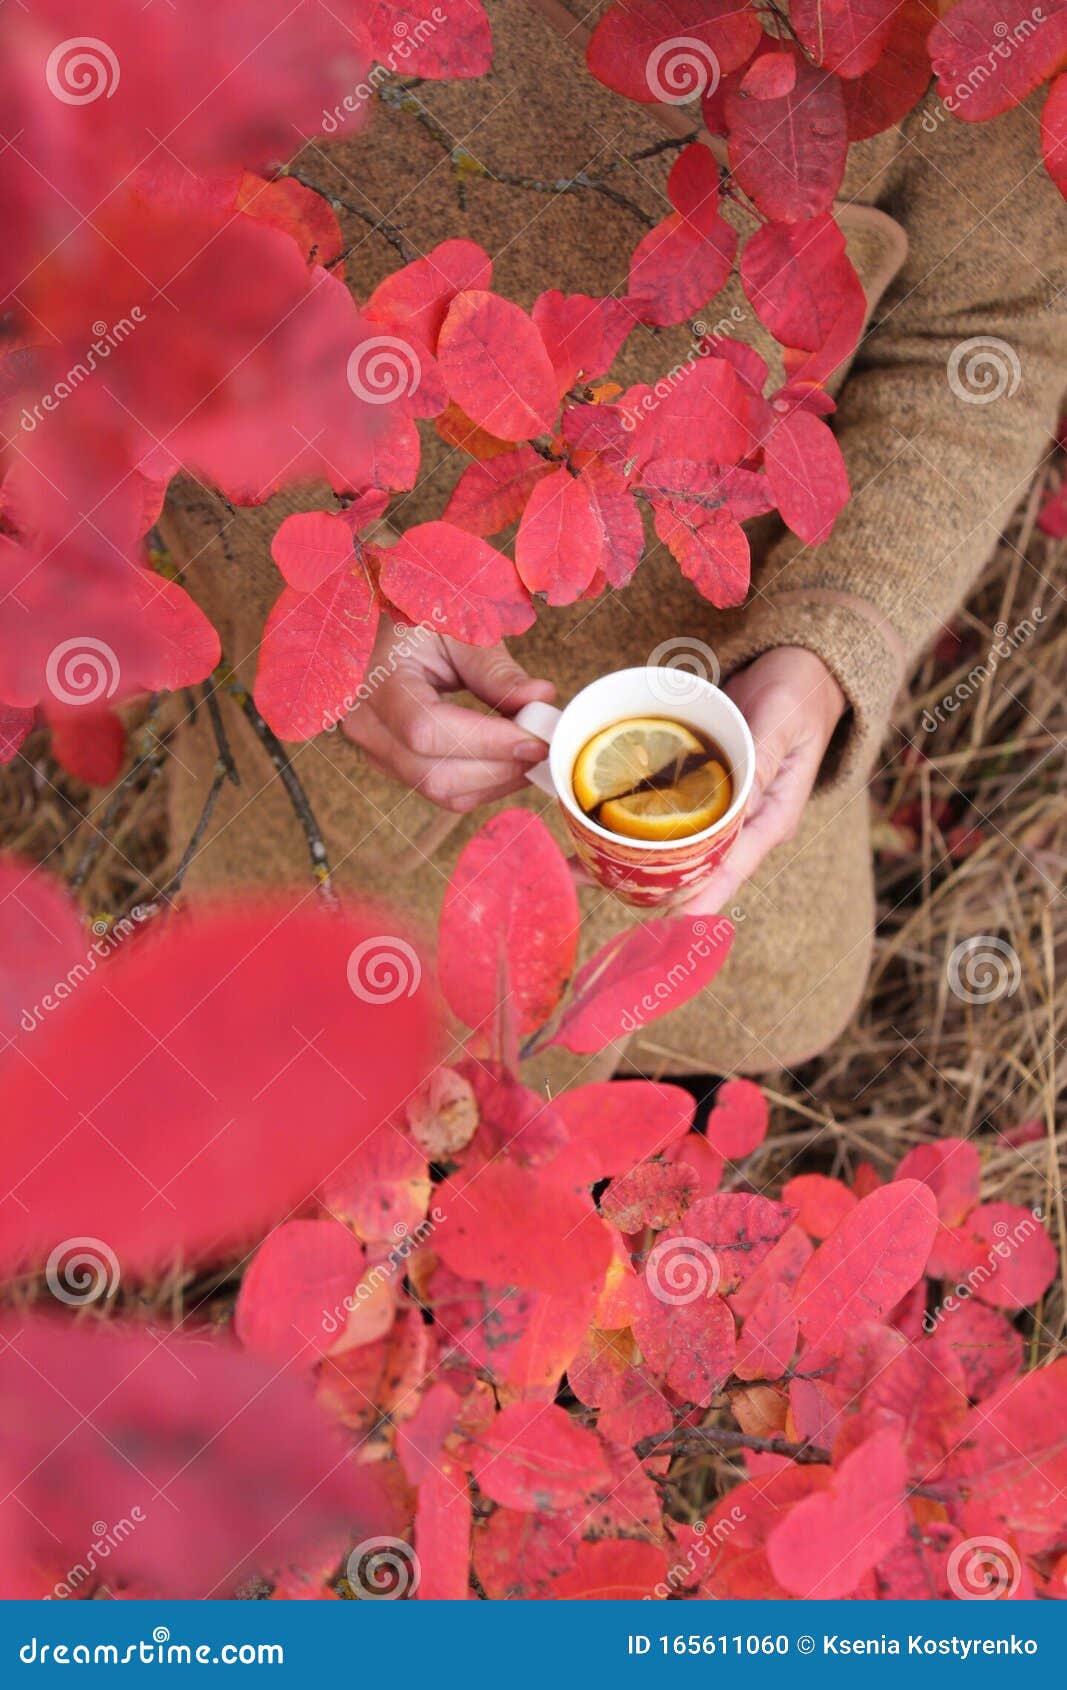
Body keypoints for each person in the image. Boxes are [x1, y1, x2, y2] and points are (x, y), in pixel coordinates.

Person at [160, 0, 1066, 1092]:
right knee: (333, 1107)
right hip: (330, 804)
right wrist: (312, 587)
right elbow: (102, 258)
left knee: (642, 1137)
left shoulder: (968, 24)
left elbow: (981, 334)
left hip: (733, 787)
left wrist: (835, 642)